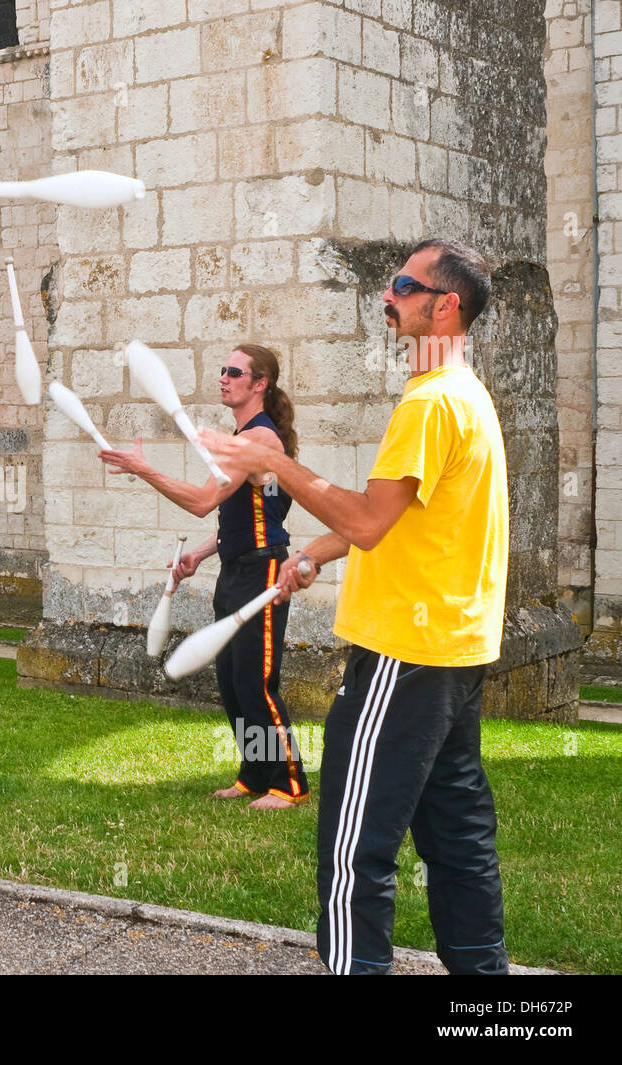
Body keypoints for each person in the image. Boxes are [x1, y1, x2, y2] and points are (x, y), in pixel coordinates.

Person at [203, 239, 508, 975]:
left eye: (405, 285)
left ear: (446, 305)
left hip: (402, 652)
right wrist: (312, 553)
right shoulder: (464, 393)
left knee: (353, 849)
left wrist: (274, 462)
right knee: (458, 841)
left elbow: (371, 519)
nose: (388, 296)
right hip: (454, 652)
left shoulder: (431, 402)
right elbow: (394, 516)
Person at [101, 345, 309, 810]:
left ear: (260, 385)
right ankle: (255, 773)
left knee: (257, 680)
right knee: (233, 680)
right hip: (237, 566)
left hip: (266, 571)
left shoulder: (260, 440)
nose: (223, 377)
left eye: (235, 372)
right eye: (222, 370)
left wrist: (144, 469)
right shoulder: (244, 436)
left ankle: (290, 784)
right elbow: (249, 514)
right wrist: (201, 550)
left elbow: (201, 501)